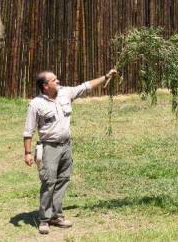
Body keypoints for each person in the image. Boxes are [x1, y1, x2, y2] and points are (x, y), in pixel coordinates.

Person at [22, 68, 117, 235]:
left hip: (66, 146)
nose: (58, 81)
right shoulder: (35, 104)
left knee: (63, 180)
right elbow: (28, 131)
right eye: (54, 80)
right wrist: (28, 153)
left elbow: (86, 86)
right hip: (48, 147)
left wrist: (105, 77)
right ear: (45, 86)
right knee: (49, 182)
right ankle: (44, 219)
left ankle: (56, 215)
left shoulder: (65, 93)